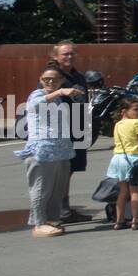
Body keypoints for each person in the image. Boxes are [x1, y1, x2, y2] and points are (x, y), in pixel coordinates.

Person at [15, 68, 78, 238]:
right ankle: (39, 223)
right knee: (41, 189)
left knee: (57, 190)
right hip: (41, 151)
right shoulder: (37, 94)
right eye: (46, 79)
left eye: (54, 79)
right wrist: (60, 91)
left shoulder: (58, 99)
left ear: (62, 79)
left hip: (60, 151)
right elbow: (36, 105)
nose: (50, 82)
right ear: (40, 80)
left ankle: (51, 219)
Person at [50, 40, 94, 223]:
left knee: (70, 168)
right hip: (61, 128)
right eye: (65, 54)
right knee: (59, 170)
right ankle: (55, 211)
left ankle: (65, 210)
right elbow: (42, 99)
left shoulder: (78, 76)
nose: (69, 57)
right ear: (55, 56)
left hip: (78, 125)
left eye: (71, 54)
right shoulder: (52, 76)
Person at [107, 98, 138, 230]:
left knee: (122, 192)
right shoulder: (137, 123)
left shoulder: (118, 124)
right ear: (124, 111)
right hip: (133, 158)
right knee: (135, 191)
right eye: (135, 109)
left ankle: (119, 221)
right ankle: (135, 220)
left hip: (118, 158)